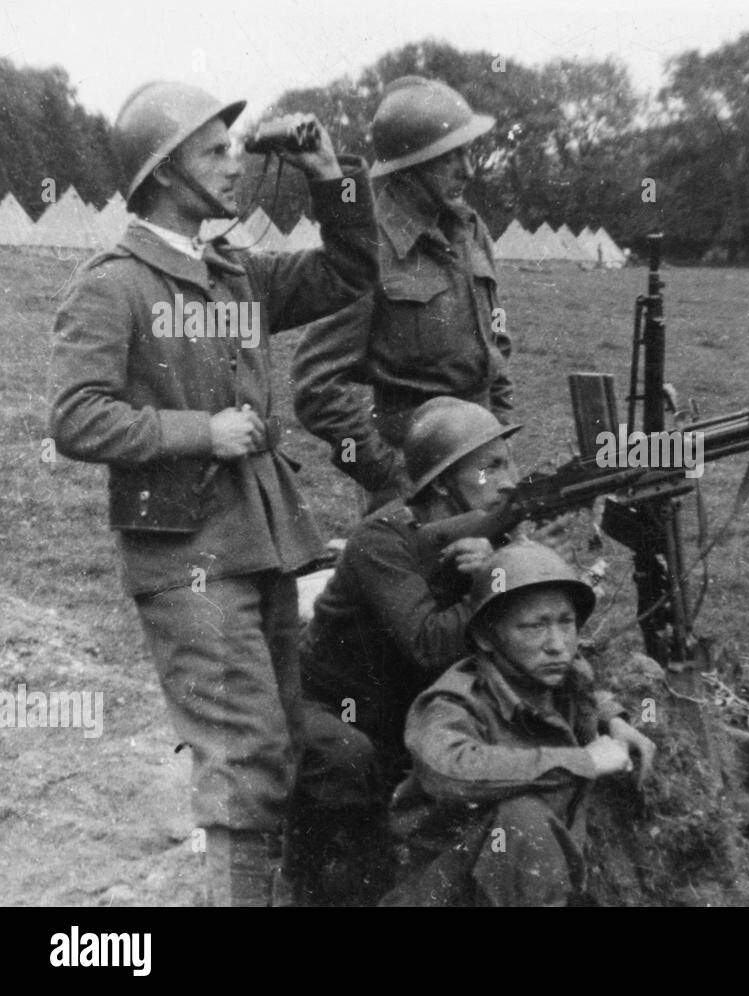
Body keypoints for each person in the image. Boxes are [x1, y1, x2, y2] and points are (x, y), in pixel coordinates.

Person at [47, 80, 377, 906]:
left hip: (260, 539)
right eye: (215, 151)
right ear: (164, 172)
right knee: (243, 759)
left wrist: (326, 172)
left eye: (236, 148)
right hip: (184, 551)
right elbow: (76, 418)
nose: (236, 165)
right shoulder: (114, 284)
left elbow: (350, 271)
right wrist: (201, 431)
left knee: (282, 747)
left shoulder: (235, 275)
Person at [287, 396, 522, 903]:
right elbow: (429, 642)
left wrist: (509, 562)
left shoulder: (495, 535)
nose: (510, 479)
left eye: (510, 461)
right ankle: (307, 880)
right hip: (322, 706)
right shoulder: (382, 539)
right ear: (441, 482)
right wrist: (493, 584)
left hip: (401, 712)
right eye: (491, 467)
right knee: (348, 761)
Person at [382, 542, 656, 907]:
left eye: (566, 622)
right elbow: (449, 771)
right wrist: (584, 762)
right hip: (448, 892)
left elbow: (585, 688)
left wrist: (615, 721)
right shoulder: (453, 702)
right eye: (534, 627)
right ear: (485, 637)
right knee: (521, 819)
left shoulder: (562, 679)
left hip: (530, 886)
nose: (558, 645)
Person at [292, 76, 513, 510]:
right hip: (414, 479)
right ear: (411, 167)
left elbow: (497, 346)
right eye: (452, 158)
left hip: (483, 461)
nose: (468, 171)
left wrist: (501, 439)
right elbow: (315, 386)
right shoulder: (366, 247)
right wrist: (391, 478)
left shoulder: (470, 230)